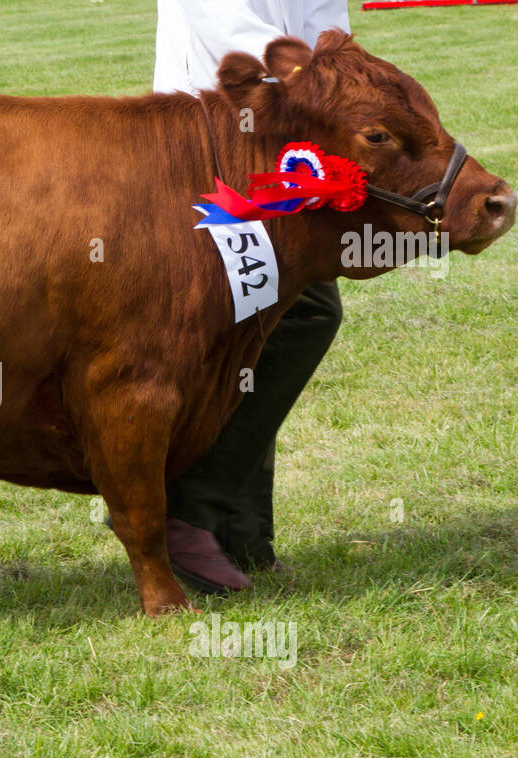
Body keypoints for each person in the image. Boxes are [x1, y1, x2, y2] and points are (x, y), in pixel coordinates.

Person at [152, 0, 349, 593]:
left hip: (289, 133)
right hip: (211, 137)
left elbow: (325, 25)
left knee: (268, 322)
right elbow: (228, 28)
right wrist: (325, 85)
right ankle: (187, 512)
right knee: (299, 312)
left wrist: (338, 79)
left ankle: (241, 534)